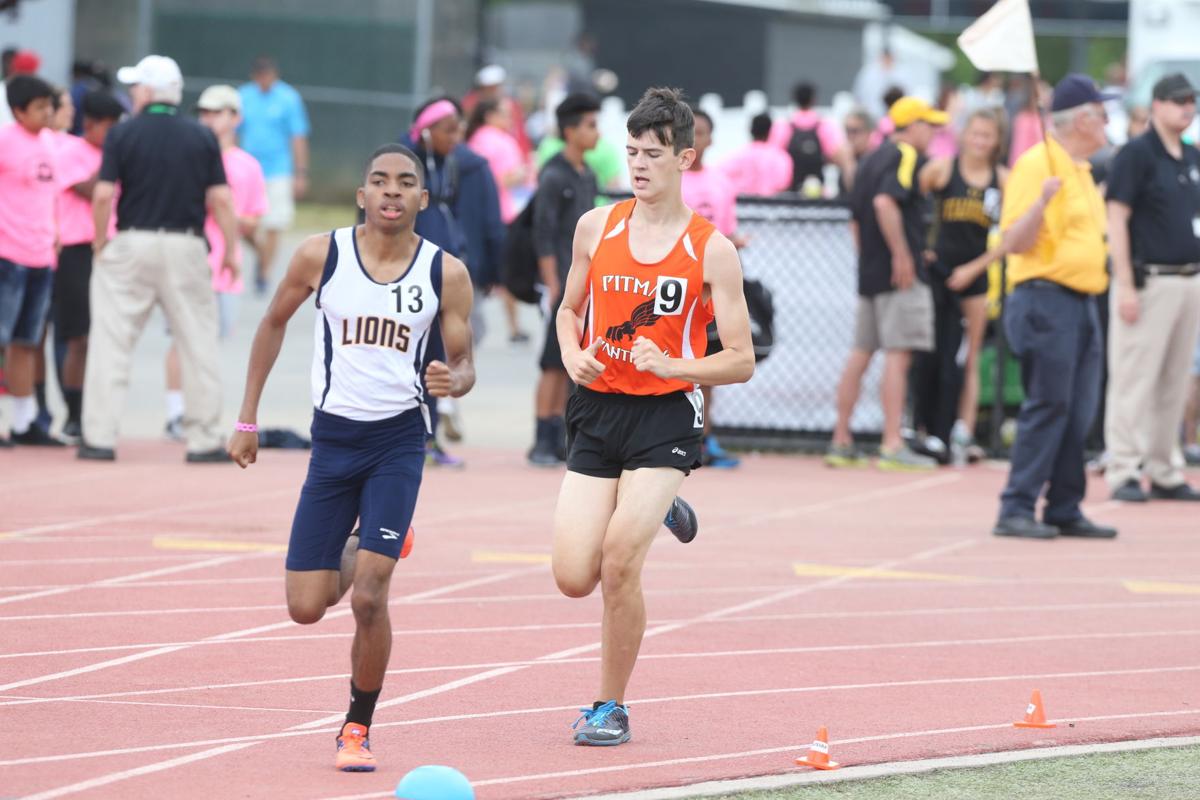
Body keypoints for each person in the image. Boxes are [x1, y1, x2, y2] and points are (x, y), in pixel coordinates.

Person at [228, 143, 476, 771]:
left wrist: (457, 379)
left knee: (369, 596)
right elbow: (272, 322)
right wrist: (247, 418)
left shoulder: (445, 272)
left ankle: (356, 728)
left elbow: (465, 359)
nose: (392, 191)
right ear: (362, 194)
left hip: (398, 442)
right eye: (379, 181)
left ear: (424, 198)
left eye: (406, 183)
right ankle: (359, 542)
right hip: (331, 443)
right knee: (305, 607)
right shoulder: (322, 255)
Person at [553, 87, 755, 746]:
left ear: (685, 157)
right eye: (632, 152)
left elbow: (741, 359)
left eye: (653, 154)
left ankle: (610, 706)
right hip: (598, 409)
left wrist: (675, 368)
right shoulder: (597, 226)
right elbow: (566, 311)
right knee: (572, 576)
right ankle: (656, 506)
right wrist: (574, 350)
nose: (638, 166)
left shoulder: (710, 250)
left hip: (665, 417)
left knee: (617, 564)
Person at [80, 55, 238, 463]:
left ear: (148, 91)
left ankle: (98, 437)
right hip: (186, 245)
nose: (133, 93)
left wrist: (101, 240)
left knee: (111, 342)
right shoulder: (202, 137)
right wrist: (233, 252)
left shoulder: (123, 134)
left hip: (132, 242)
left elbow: (102, 194)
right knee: (198, 342)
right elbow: (220, 199)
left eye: (136, 86)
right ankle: (203, 438)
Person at [992, 74, 1121, 540]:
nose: (1109, 121)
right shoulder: (1037, 167)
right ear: (1082, 119)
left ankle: (1065, 505)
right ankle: (1016, 505)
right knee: (1049, 405)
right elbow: (1014, 242)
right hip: (1046, 298)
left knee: (1079, 409)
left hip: (1081, 301)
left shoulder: (1082, 170)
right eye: (1103, 113)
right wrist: (1041, 201)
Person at [826, 97, 945, 471]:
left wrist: (871, 259)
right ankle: (892, 443)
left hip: (873, 272)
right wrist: (902, 255)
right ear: (912, 126)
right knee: (899, 353)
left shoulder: (870, 159)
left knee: (861, 352)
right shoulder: (904, 155)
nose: (933, 133)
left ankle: (841, 439)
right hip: (899, 275)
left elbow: (857, 219)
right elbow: (884, 204)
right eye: (928, 125)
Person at [1103, 73, 1200, 503]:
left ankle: (1164, 467)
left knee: (1174, 381)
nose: (1187, 108)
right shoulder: (1137, 154)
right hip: (1149, 281)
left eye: (1192, 101)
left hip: (1188, 278)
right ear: (1157, 105)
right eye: (1178, 100)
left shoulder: (1191, 157)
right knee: (1134, 378)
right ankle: (1123, 466)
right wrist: (1124, 283)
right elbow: (1117, 217)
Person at [400, 97, 505, 462]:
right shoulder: (401, 164)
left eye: (459, 129)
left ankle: (431, 433)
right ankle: (415, 435)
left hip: (445, 270)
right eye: (448, 130)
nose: (456, 137)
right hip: (408, 273)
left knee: (441, 350)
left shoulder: (456, 165)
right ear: (425, 131)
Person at [163, 85, 268, 440]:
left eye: (217, 112)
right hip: (191, 259)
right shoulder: (186, 155)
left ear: (235, 118)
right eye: (204, 112)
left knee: (210, 342)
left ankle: (200, 410)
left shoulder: (247, 165)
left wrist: (225, 212)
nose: (209, 118)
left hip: (226, 266)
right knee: (182, 337)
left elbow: (253, 218)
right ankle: (177, 413)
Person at [915, 108, 1009, 464]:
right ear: (964, 135)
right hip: (938, 272)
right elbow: (915, 205)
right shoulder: (941, 169)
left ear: (996, 141)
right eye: (976, 134)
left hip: (975, 275)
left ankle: (964, 430)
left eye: (988, 136)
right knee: (930, 350)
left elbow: (1009, 237)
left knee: (969, 356)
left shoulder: (1003, 178)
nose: (980, 142)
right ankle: (924, 427)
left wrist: (974, 269)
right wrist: (923, 248)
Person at [528, 93, 600, 466]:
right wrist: (552, 282)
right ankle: (541, 436)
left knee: (571, 361)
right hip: (560, 281)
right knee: (552, 362)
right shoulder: (554, 174)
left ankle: (558, 434)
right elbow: (543, 231)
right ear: (570, 131)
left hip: (582, 283)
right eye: (590, 125)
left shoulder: (587, 174)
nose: (596, 132)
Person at [51, 89, 124, 441]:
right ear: (91, 124)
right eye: (110, 128)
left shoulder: (114, 153)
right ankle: (74, 414)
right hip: (77, 249)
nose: (115, 135)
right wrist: (113, 157)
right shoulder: (70, 151)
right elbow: (89, 190)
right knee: (78, 336)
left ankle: (99, 411)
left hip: (114, 247)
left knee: (106, 335)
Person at [683, 109, 747, 468]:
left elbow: (726, 235)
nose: (695, 139)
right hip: (675, 287)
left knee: (710, 364)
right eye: (689, 132)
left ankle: (704, 436)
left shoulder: (721, 183)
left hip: (710, 291)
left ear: (711, 139)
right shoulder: (671, 181)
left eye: (701, 132)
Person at [0, 74, 62, 446]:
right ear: (18, 111)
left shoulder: (51, 143)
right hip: (7, 254)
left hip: (41, 256)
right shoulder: (5, 141)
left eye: (49, 106)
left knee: (27, 342)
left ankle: (25, 422)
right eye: (39, 108)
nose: (47, 113)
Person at [238, 56, 310, 295]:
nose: (264, 81)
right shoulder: (243, 97)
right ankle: (261, 254)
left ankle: (263, 273)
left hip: (279, 169)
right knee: (244, 224)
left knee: (274, 223)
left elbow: (297, 136)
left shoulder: (288, 98)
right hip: (249, 170)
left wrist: (300, 173)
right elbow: (235, 132)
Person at [466, 96, 530, 343]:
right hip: (504, 215)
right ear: (490, 115)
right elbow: (505, 180)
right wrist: (522, 174)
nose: (509, 119)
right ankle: (514, 327)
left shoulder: (474, 140)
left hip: (477, 216)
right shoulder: (503, 142)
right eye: (504, 114)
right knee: (507, 273)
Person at [769, 82, 855, 194]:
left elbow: (774, 158)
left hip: (790, 193)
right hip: (818, 193)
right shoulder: (824, 127)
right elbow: (838, 156)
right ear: (814, 99)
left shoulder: (784, 127)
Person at [720, 112, 793, 196]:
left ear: (750, 130)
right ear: (770, 131)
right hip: (772, 206)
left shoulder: (738, 155)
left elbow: (720, 177)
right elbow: (784, 185)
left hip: (742, 206)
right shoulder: (781, 157)